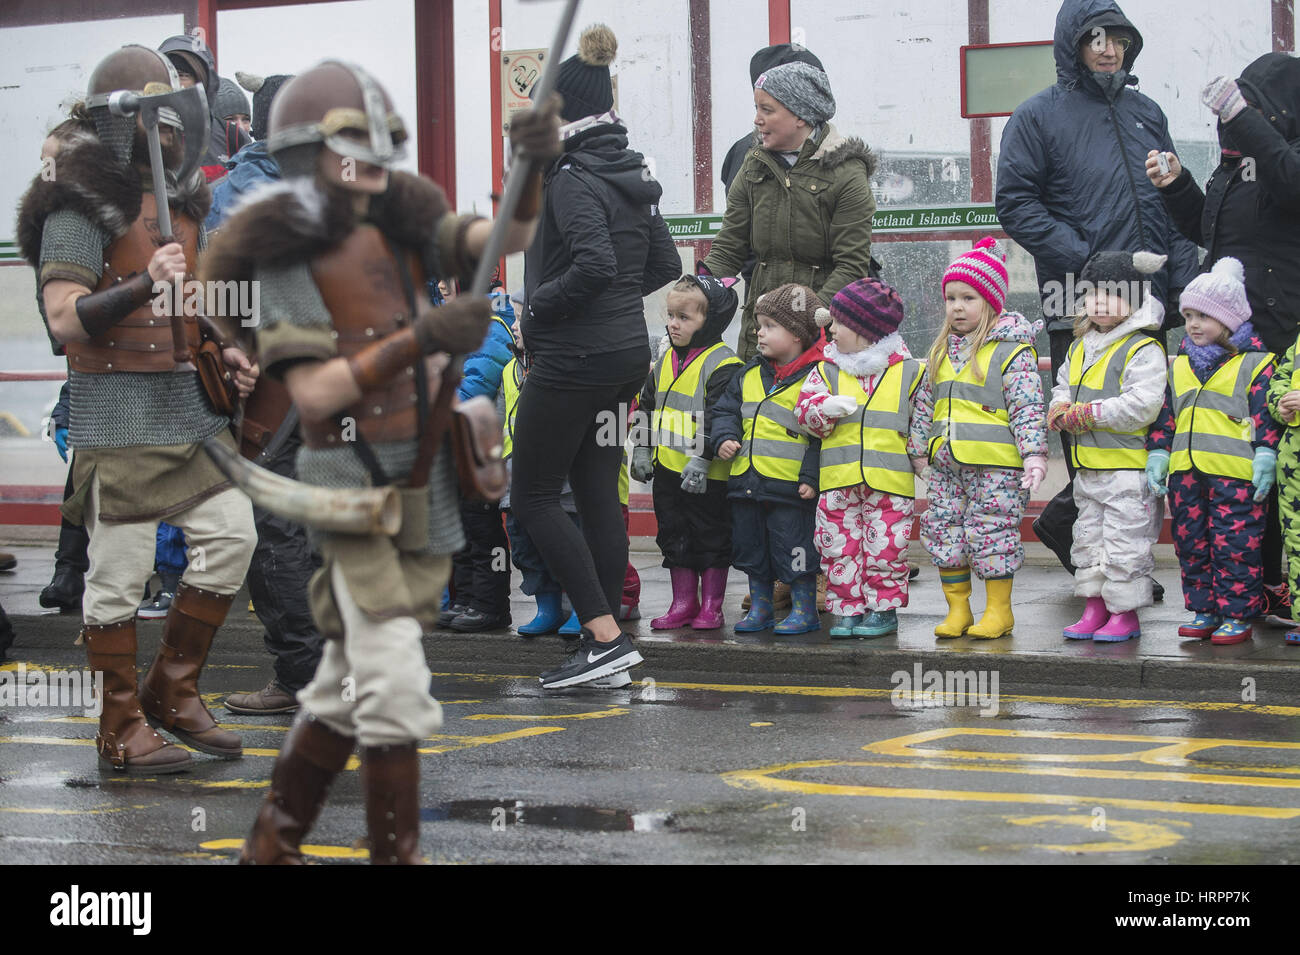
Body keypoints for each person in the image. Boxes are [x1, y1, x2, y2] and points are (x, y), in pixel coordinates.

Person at [204, 59, 559, 863]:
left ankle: (271, 842)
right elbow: (322, 389)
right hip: (352, 485)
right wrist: (423, 337)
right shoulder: (284, 256)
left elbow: (508, 234)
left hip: (418, 473)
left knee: (343, 684)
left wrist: (530, 169)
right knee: (393, 679)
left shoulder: (398, 226)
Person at [15, 44, 259, 773]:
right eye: (151, 119)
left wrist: (228, 345)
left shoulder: (180, 202)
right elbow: (64, 319)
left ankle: (172, 690)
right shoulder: (74, 205)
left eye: (170, 117)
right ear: (119, 122)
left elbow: (192, 300)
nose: (167, 132)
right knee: (117, 578)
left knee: (233, 536)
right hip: (114, 412)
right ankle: (119, 725)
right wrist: (144, 284)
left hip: (185, 411)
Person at [996, 0, 1198, 574]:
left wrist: (1181, 285)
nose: (1110, 49)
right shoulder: (1038, 116)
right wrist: (1091, 262)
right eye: (1096, 38)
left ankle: (1114, 560)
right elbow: (1015, 204)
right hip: (1079, 303)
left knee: (1140, 431)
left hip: (1149, 302)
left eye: (1119, 39)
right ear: (1073, 45)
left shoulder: (1146, 112)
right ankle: (1098, 563)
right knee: (1089, 433)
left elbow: (1169, 200)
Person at [515, 24, 680, 689]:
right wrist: (612, 305)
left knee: (530, 495)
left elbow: (593, 263)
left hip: (572, 359)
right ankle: (605, 643)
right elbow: (663, 261)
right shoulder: (629, 168)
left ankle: (605, 638)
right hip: (620, 358)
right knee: (595, 493)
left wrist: (537, 309)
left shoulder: (572, 177)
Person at [1147, 52, 1300, 626]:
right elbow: (1207, 227)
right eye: (1237, 109)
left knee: (1281, 460)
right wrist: (1179, 185)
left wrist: (1245, 119)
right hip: (1239, 337)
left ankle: (1282, 581)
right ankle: (1258, 585)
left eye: (1255, 108)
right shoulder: (1235, 165)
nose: (1235, 121)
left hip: (1284, 332)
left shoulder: (1283, 157)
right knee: (1243, 464)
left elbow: (1291, 185)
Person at [909, 239, 1048, 640]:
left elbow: (1027, 407)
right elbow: (924, 406)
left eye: (968, 297)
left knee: (992, 533)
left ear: (990, 301)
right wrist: (919, 454)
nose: (956, 306)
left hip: (997, 467)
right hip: (947, 466)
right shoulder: (939, 352)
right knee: (942, 528)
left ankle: (999, 611)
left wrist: (1034, 454)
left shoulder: (1012, 352)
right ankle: (958, 610)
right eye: (951, 297)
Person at [701, 60, 875, 362]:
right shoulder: (753, 165)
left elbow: (851, 266)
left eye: (767, 110)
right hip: (761, 330)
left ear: (800, 115)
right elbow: (729, 247)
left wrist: (799, 319)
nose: (757, 120)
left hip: (818, 336)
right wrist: (696, 294)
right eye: (757, 108)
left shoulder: (845, 173)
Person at [1147, 258, 1278, 645]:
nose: (1193, 324)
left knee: (1235, 547)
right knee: (1192, 544)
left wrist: (1266, 455)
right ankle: (1204, 609)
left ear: (1230, 320)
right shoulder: (1180, 365)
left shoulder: (1255, 364)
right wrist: (1158, 454)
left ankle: (1237, 614)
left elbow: (1266, 417)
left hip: (1236, 476)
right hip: (1186, 475)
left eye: (1204, 315)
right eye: (1188, 315)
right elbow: (1166, 417)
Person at [1049, 250, 1168, 641]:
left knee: (1126, 544)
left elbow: (1142, 405)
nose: (1098, 302)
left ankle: (1125, 613)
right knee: (1089, 540)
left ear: (1134, 299)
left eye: (1111, 294)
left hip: (1127, 471)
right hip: (1090, 469)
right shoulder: (1081, 345)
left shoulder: (1142, 349)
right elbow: (1062, 386)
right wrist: (1059, 408)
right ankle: (1095, 605)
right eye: (1092, 294)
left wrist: (1085, 414)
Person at [796, 278, 921, 638]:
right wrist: (823, 408)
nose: (831, 329)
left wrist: (924, 460)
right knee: (838, 547)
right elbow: (804, 415)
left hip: (890, 483)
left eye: (839, 322)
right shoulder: (825, 371)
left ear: (866, 328)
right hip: (838, 481)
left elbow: (922, 421)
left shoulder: (910, 372)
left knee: (887, 550)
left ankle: (883, 610)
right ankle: (847, 610)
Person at [630, 275, 741, 630]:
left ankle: (711, 606)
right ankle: (683, 602)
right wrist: (643, 449)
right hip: (667, 470)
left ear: (711, 322)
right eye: (671, 315)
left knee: (710, 535)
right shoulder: (664, 361)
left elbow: (720, 415)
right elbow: (646, 407)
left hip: (707, 475)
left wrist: (703, 457)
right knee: (673, 534)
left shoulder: (724, 364)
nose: (673, 324)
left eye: (684, 317)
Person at [713, 283, 824, 634]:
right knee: (752, 549)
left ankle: (805, 610)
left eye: (770, 326)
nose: (759, 332)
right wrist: (725, 437)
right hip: (746, 484)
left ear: (797, 335)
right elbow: (725, 411)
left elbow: (822, 438)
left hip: (790, 489)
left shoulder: (818, 379)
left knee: (795, 549)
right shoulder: (746, 375)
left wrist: (810, 477)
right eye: (758, 324)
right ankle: (760, 609)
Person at [444, 281, 516, 632]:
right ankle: (467, 599)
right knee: (463, 527)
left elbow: (473, 385)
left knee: (481, 529)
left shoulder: (491, 326)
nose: (442, 289)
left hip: (478, 446)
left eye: (448, 284)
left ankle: (490, 606)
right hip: (460, 445)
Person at [158, 34, 250, 179]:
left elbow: (249, 187)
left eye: (181, 75)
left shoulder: (232, 137)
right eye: (167, 75)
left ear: (202, 81)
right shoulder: (148, 133)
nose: (173, 82)